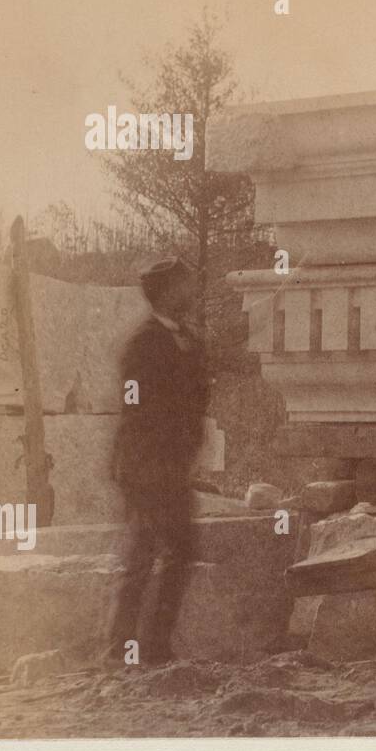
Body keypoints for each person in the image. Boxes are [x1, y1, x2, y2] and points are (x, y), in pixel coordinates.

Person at [102, 256, 209, 666]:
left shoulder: (191, 340)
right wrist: (160, 447)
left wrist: (188, 449)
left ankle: (157, 648)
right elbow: (134, 404)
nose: (193, 292)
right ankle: (118, 651)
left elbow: (198, 399)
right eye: (186, 285)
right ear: (165, 292)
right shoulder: (141, 343)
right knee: (141, 556)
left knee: (181, 551)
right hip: (144, 466)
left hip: (174, 467)